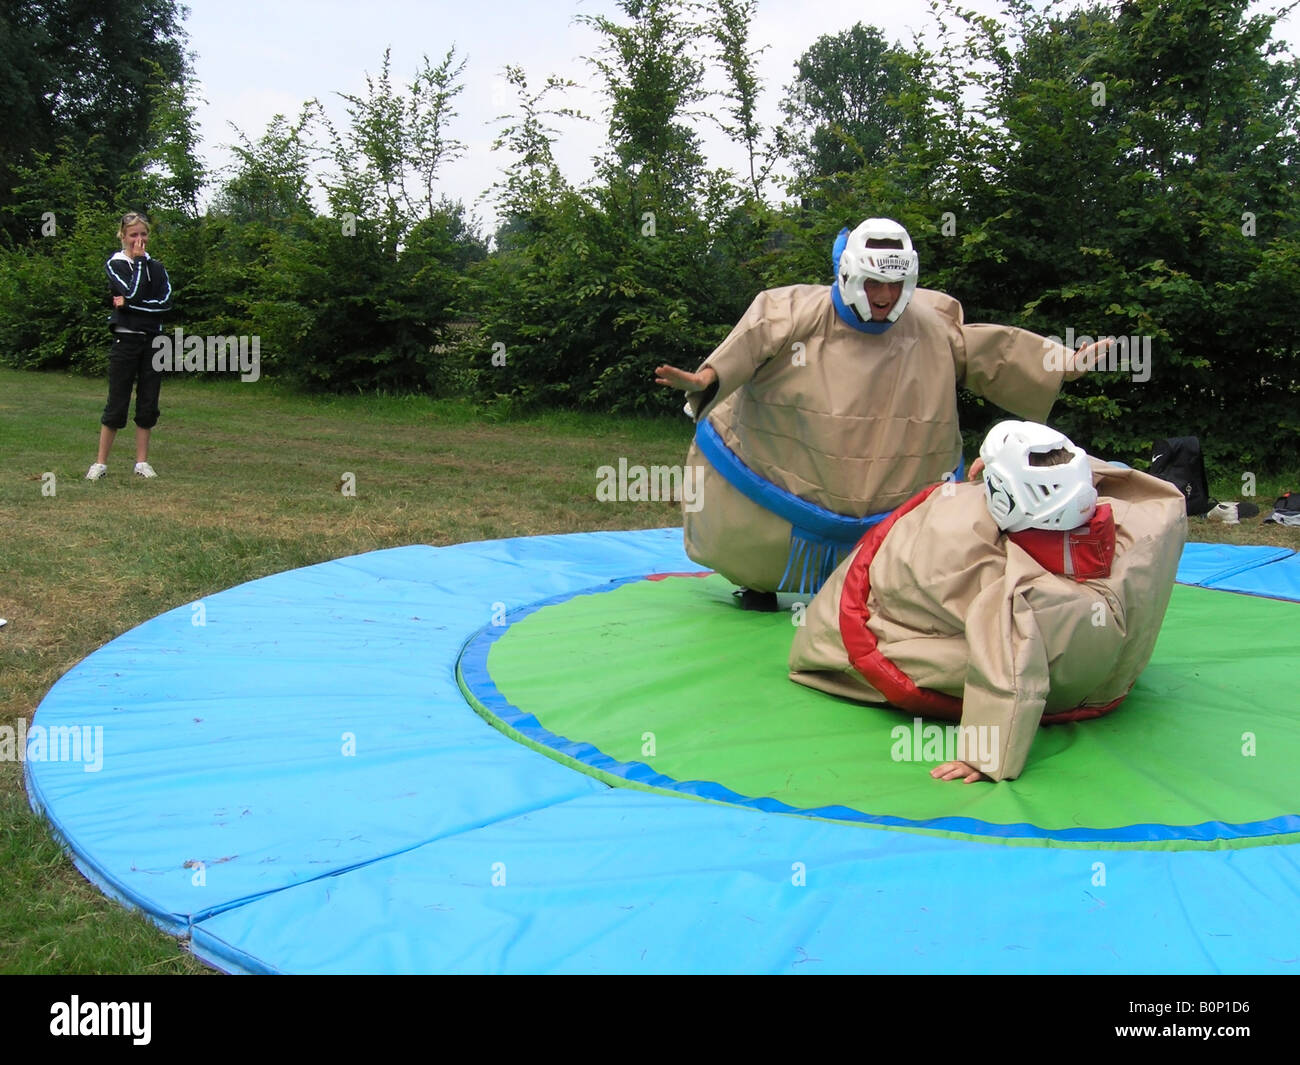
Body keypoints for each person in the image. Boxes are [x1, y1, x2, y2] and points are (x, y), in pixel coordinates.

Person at [655, 218, 1114, 609]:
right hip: (795, 455)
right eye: (873, 283)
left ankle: (874, 588)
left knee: (898, 550)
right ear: (851, 276)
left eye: (894, 285)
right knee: (761, 530)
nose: (883, 295)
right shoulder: (796, 311)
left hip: (892, 466)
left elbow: (991, 351)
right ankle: (759, 583)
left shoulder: (929, 325)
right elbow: (752, 341)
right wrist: (709, 377)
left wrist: (1062, 364)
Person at [788, 421, 1188, 782]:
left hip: (993, 629)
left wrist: (984, 755)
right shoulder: (1139, 520)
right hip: (1101, 669)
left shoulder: (1005, 581)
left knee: (980, 619)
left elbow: (1008, 663)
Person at [86, 212, 173, 480]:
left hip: (153, 341)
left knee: (148, 402)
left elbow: (165, 303)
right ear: (123, 236)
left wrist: (131, 306)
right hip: (126, 339)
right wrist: (136, 264)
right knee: (117, 400)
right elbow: (130, 290)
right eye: (133, 235)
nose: (139, 240)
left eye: (143, 234)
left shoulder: (157, 268)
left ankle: (142, 462)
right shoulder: (116, 264)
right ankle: (100, 463)